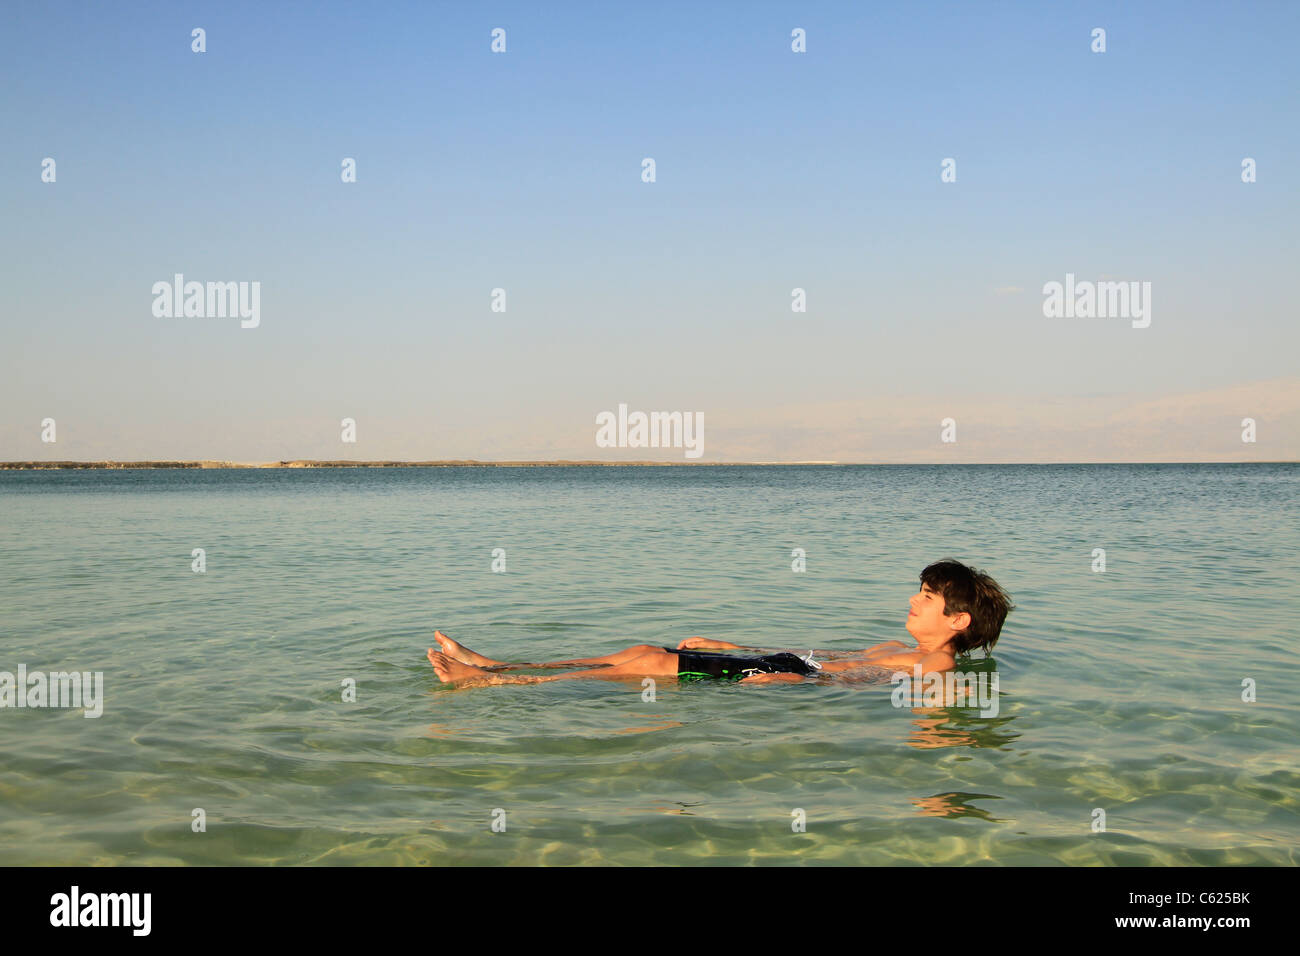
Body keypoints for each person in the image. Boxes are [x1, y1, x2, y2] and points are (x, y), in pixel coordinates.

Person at [427, 559, 1013, 688]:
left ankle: (489, 682)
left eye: (928, 596)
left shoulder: (936, 662)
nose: (914, 599)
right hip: (789, 665)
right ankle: (497, 664)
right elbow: (820, 655)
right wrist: (729, 645)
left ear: (957, 620)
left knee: (652, 665)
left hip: (790, 679)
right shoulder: (893, 643)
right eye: (919, 589)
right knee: (639, 649)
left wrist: (787, 683)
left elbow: (848, 683)